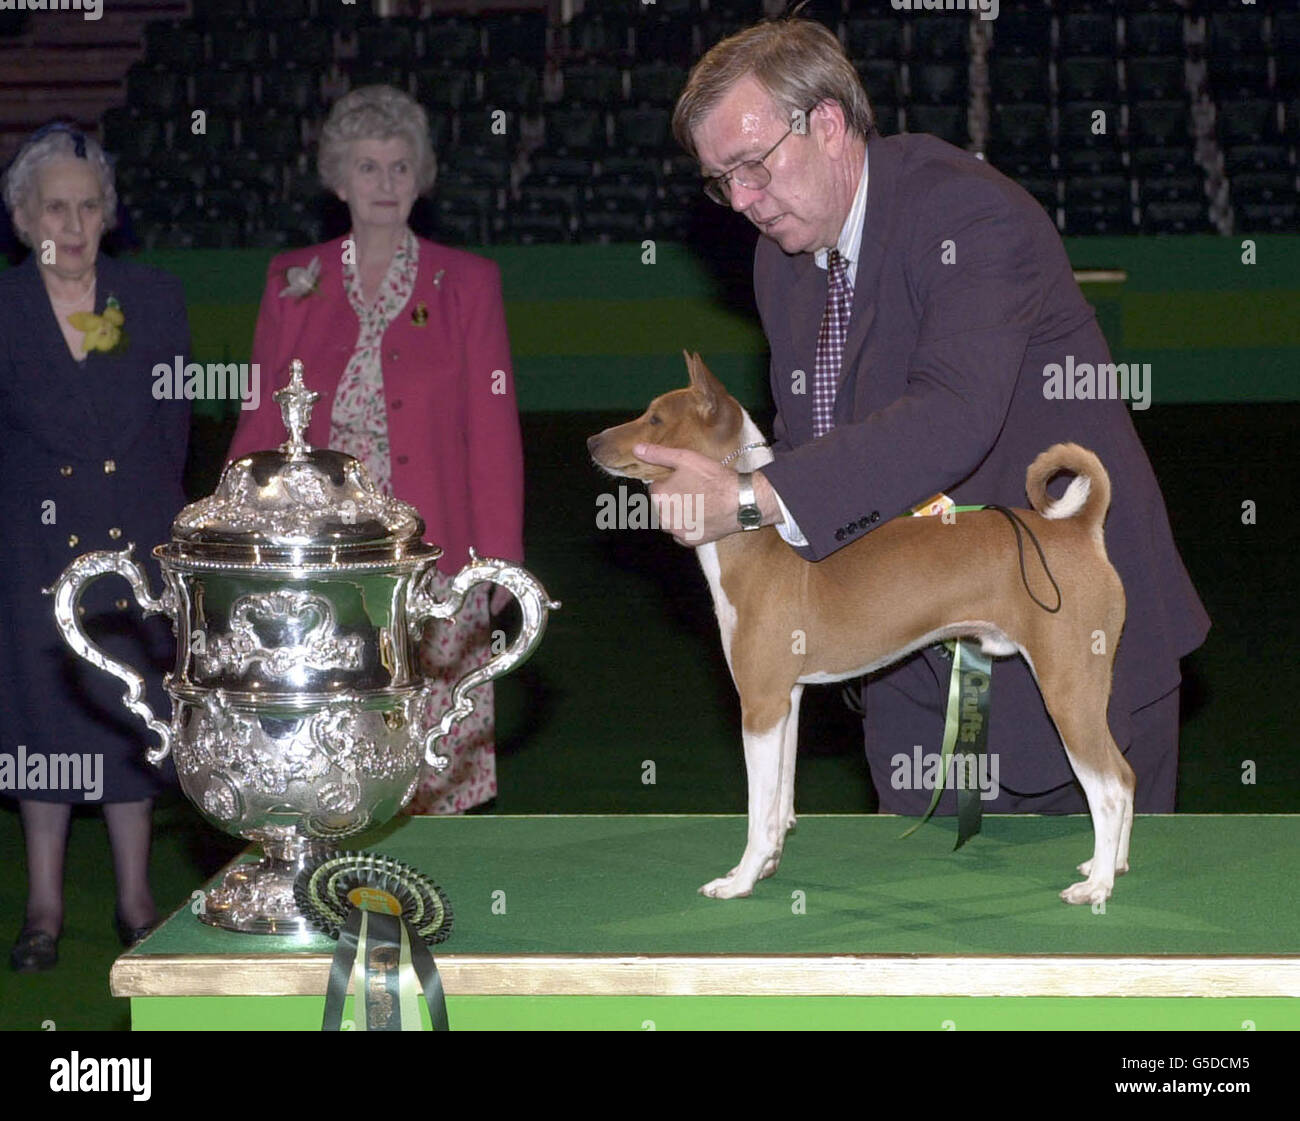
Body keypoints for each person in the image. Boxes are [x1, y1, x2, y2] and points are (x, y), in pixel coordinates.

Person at [638, 18, 1210, 815]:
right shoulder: (781, 259)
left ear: (828, 124)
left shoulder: (970, 215)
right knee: (910, 932)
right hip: (908, 665)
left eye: (751, 166)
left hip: (1057, 626)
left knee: (1095, 931)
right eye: (719, 180)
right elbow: (820, 444)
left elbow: (952, 415)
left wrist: (746, 496)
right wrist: (733, 487)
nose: (740, 200)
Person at [225, 86, 524, 815]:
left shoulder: (469, 282)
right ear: (339, 179)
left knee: (434, 741)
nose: (385, 183)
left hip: (435, 554)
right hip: (327, 559)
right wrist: (228, 534)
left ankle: (432, 900)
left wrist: (498, 565)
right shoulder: (292, 280)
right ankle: (344, 885)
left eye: (399, 167)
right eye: (368, 167)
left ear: (420, 178)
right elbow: (262, 416)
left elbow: (493, 432)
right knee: (338, 741)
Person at [0, 123, 191, 971]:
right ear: (21, 217)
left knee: (129, 714)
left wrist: (160, 540)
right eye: (54, 209)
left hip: (130, 545)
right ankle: (42, 903)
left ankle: (135, 896)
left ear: (107, 215)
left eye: (87, 207)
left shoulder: (154, 298)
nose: (71, 226)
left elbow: (176, 432)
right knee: (39, 720)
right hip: (29, 546)